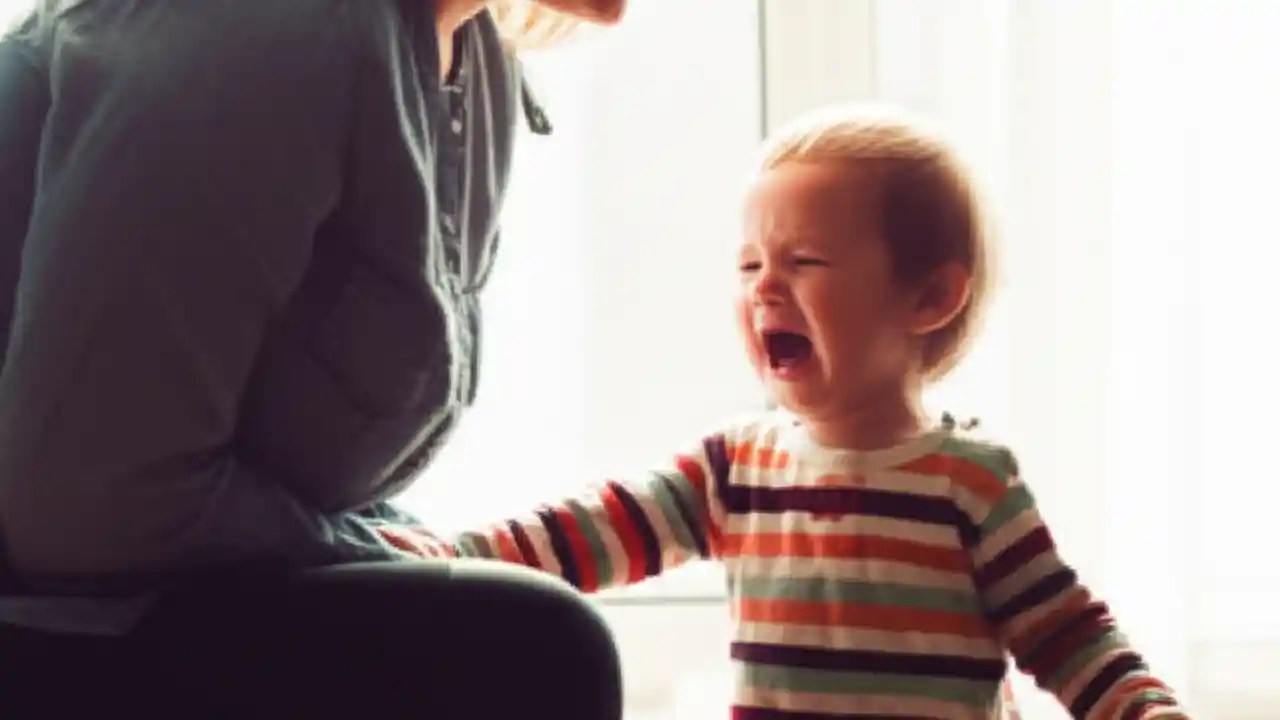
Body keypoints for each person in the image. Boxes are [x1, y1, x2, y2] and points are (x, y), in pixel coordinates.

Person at [398, 105, 1192, 719]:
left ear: (929, 297)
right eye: (750, 264)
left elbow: (1067, 634)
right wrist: (442, 562)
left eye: (803, 261)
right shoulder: (734, 469)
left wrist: (1144, 709)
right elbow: (582, 535)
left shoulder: (968, 484)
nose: (763, 288)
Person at [0, 0, 626, 716]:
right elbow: (87, 499)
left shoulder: (472, 53)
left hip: (123, 590)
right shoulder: (269, 24)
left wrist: (376, 539)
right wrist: (358, 548)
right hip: (43, 603)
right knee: (531, 651)